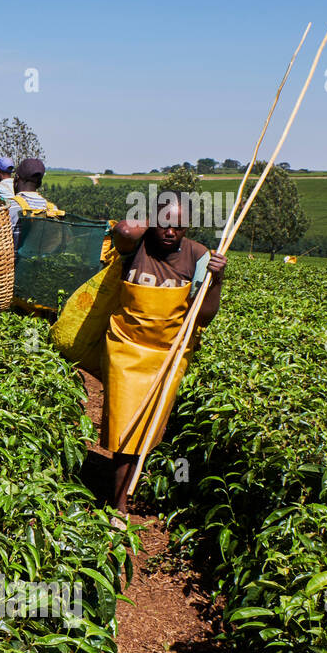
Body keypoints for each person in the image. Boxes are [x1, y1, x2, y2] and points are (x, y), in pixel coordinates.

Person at [102, 191, 226, 516]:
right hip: (126, 347)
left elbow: (204, 316)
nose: (172, 232)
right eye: (165, 224)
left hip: (168, 354)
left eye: (180, 226)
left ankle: (124, 494)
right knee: (124, 424)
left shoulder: (199, 256)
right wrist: (150, 219)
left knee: (146, 429)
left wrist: (217, 280)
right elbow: (124, 231)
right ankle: (118, 504)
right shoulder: (136, 245)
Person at [7, 158, 60, 247]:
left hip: (14, 260)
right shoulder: (53, 210)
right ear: (39, 183)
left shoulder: (9, 208)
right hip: (43, 260)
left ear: (16, 179)